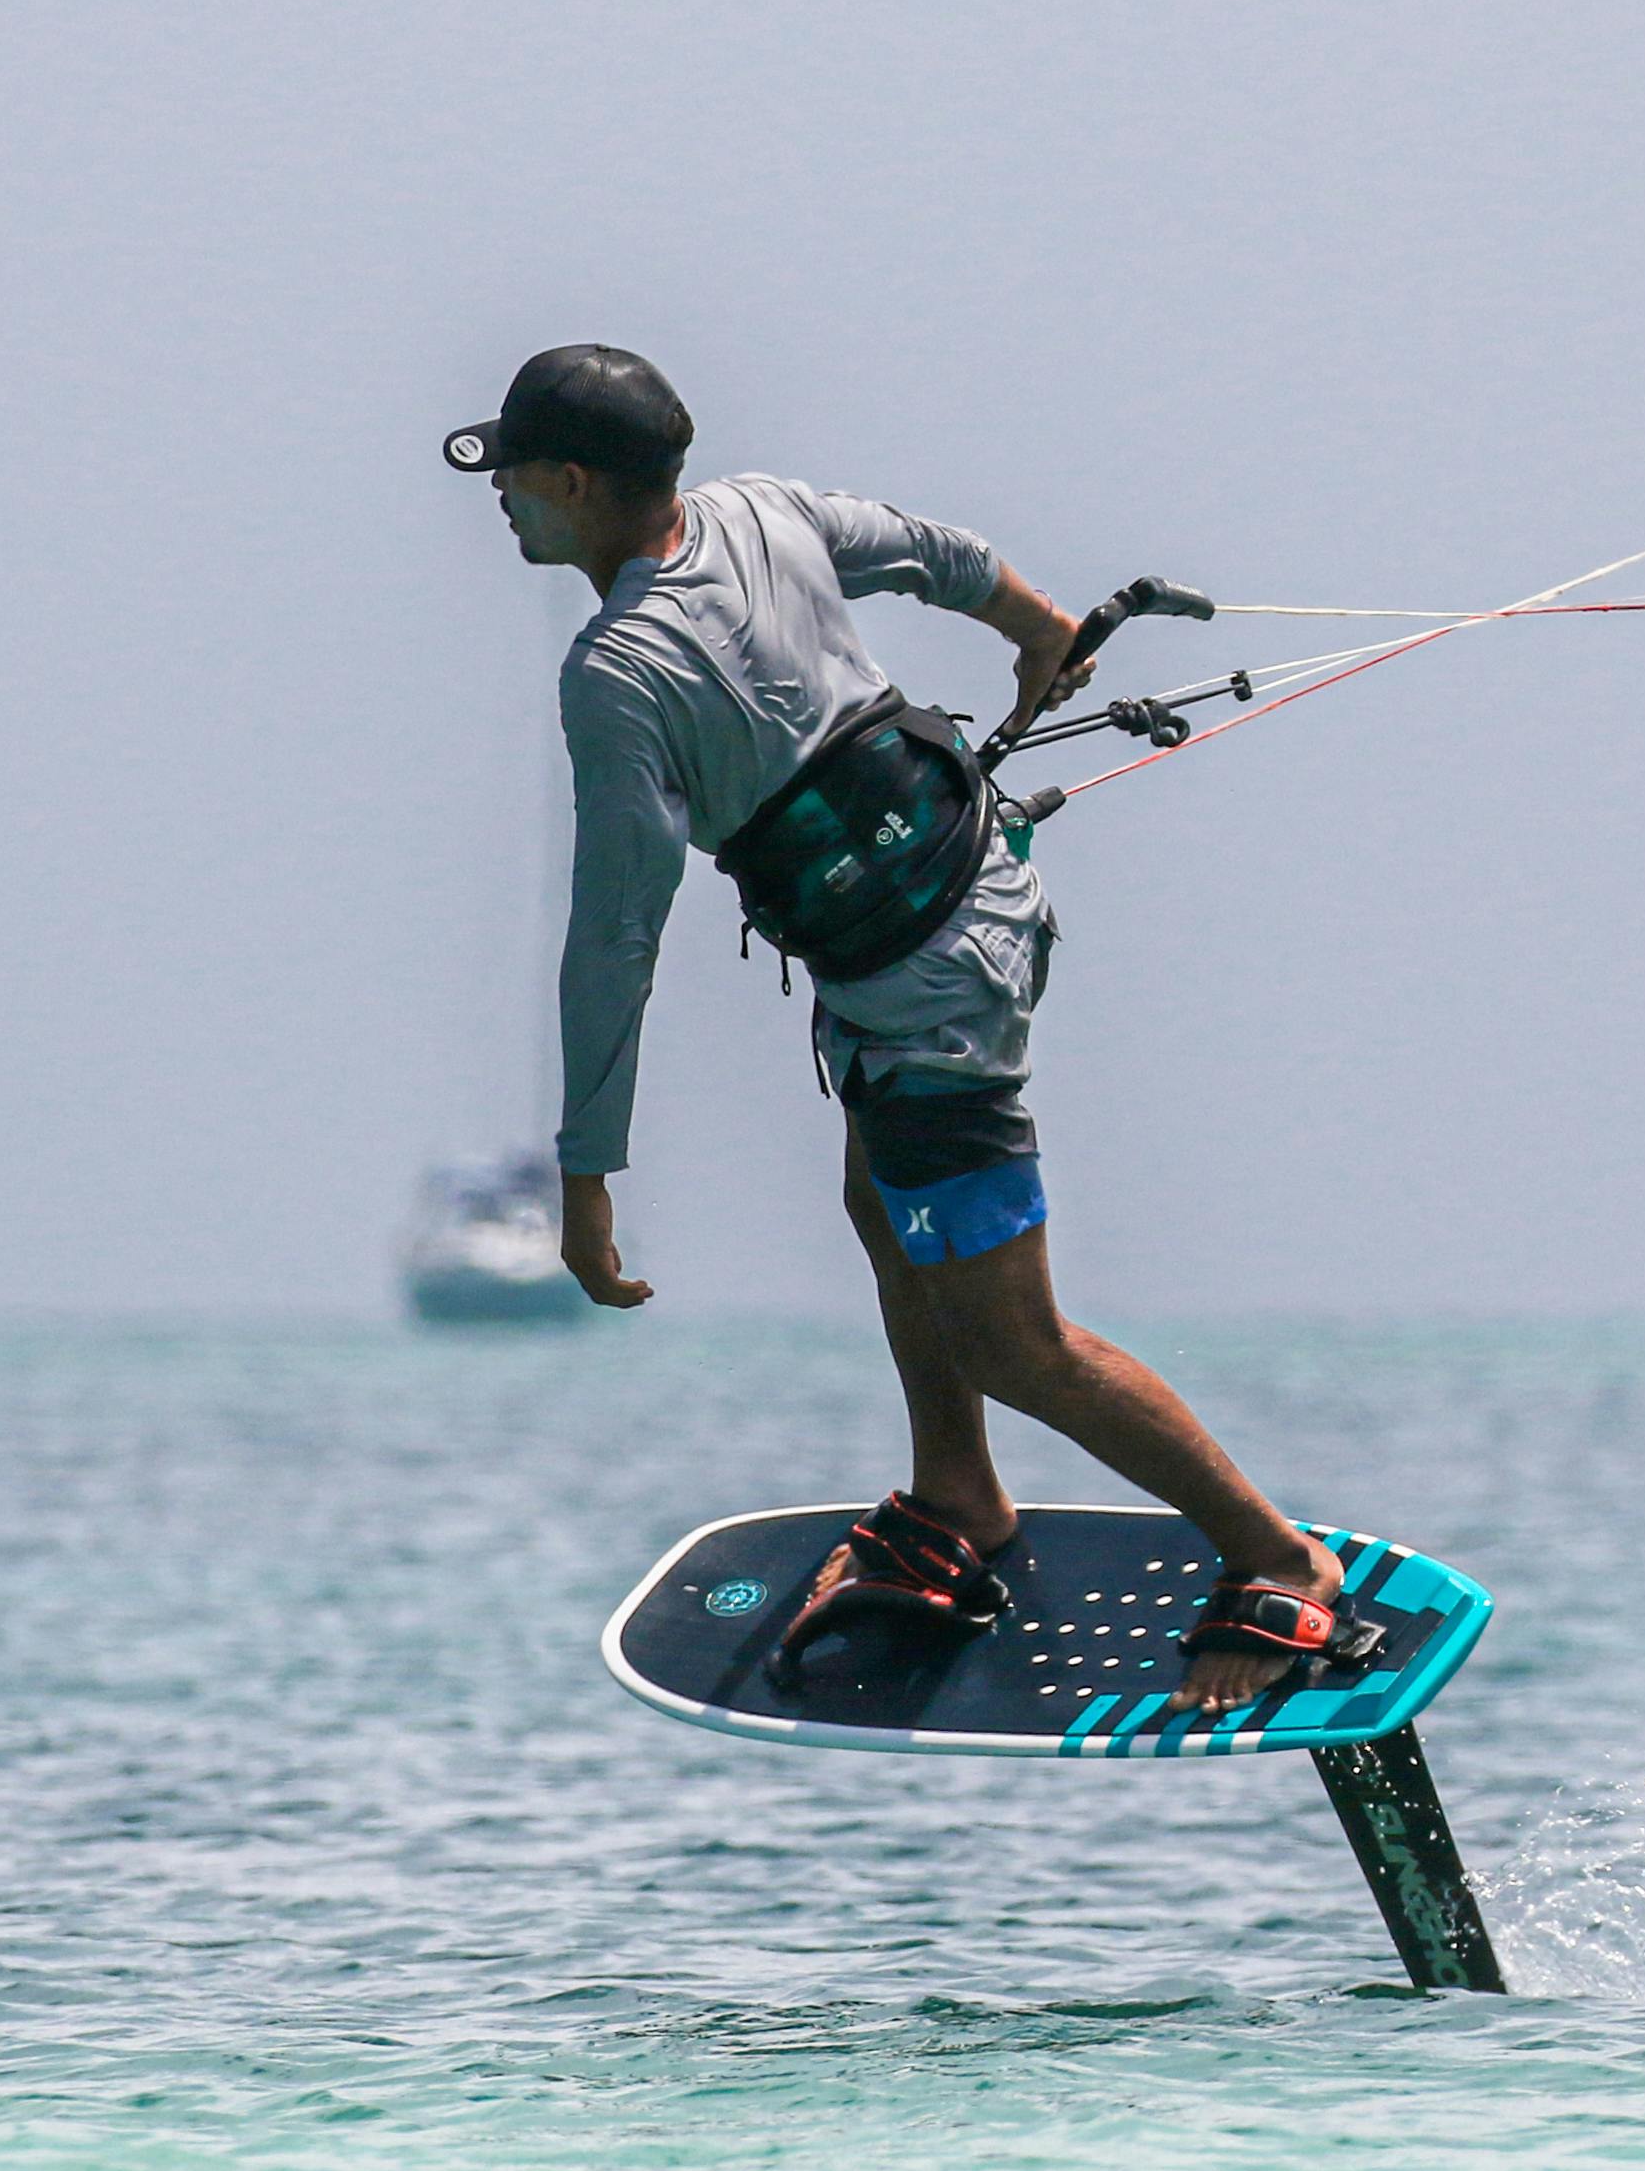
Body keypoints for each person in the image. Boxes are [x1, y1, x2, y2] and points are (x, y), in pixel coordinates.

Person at [447, 341, 1356, 1716]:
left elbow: (614, 933)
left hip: (930, 989)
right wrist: (1039, 629)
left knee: (1014, 1340)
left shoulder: (616, 672)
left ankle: (1273, 1560)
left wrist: (587, 1178)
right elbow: (937, 551)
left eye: (512, 473)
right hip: (969, 903)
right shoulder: (760, 510)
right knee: (883, 1198)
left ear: (570, 483)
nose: (499, 496)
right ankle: (959, 1493)